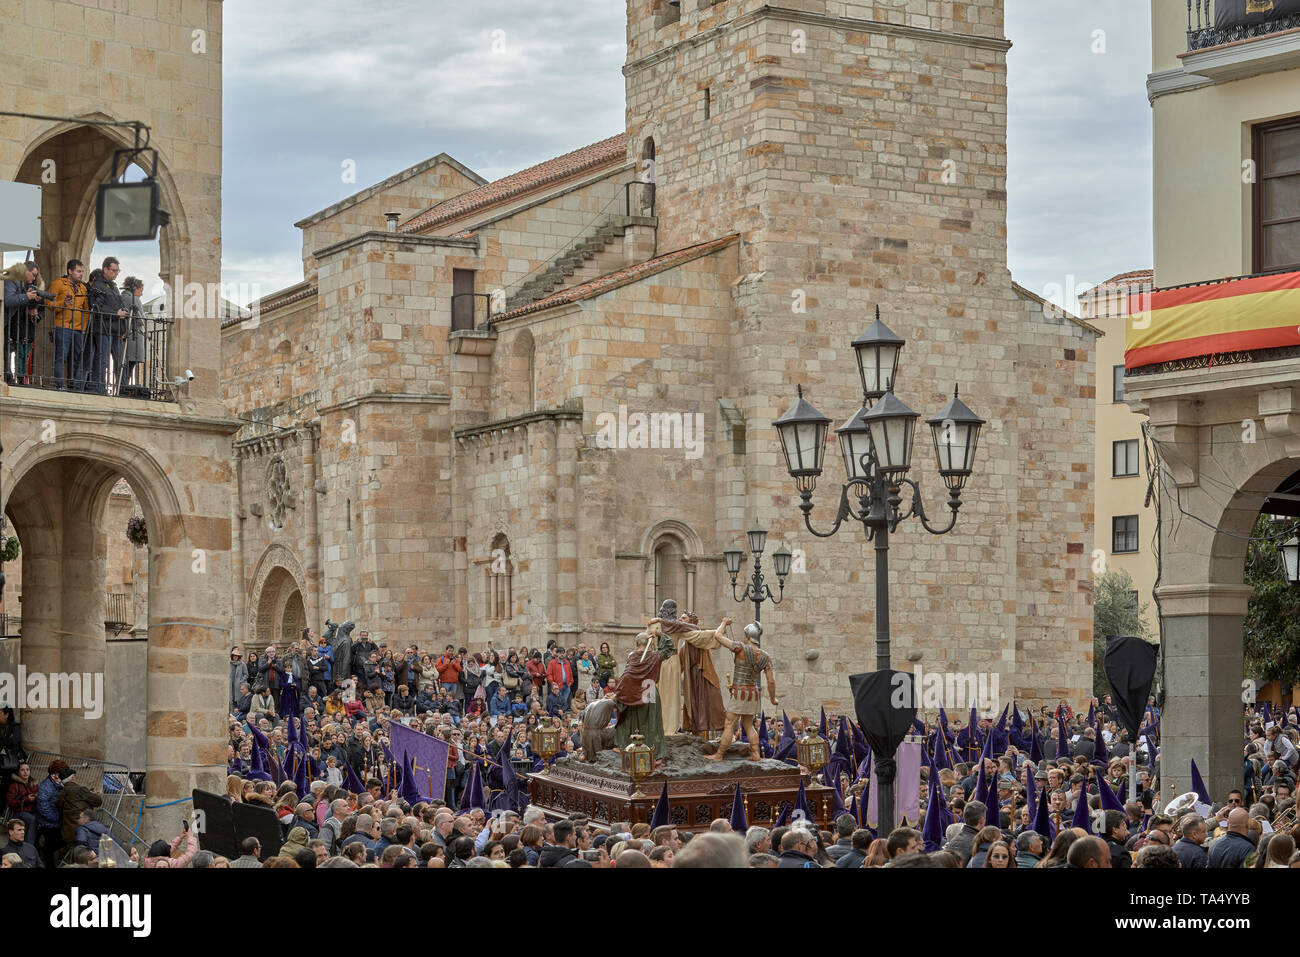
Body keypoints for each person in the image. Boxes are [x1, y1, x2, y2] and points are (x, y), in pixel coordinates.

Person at [706, 620, 776, 762]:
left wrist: (724, 623)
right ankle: (756, 754)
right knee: (749, 725)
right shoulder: (765, 657)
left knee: (729, 723)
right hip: (753, 694)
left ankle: (719, 755)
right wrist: (773, 699)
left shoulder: (740, 648)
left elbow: (718, 636)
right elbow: (771, 681)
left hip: (740, 692)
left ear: (748, 637)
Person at [86, 256, 128, 395]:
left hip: (116, 329)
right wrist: (116, 313)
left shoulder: (115, 287)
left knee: (120, 361)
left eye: (118, 271)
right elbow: (96, 307)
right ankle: (98, 387)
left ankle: (122, 389)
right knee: (102, 359)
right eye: (114, 270)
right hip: (103, 328)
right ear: (105, 269)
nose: (116, 274)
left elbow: (120, 306)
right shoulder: (98, 285)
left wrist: (123, 328)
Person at [46, 259, 89, 390]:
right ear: (70, 271)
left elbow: (86, 310)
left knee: (76, 359)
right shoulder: (58, 284)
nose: (81, 274)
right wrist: (63, 304)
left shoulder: (83, 288)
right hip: (63, 326)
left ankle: (73, 386)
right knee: (61, 358)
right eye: (78, 271)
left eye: (82, 271)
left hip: (77, 329)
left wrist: (83, 327)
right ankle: (59, 385)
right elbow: (48, 304)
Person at [3, 261, 44, 386]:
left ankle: (8, 375)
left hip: (10, 322)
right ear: (26, 270)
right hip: (8, 321)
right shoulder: (13, 280)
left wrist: (35, 304)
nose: (34, 278)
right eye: (33, 274)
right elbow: (8, 300)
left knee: (7, 350)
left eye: (36, 276)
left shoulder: (21, 283)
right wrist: (27, 297)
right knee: (9, 350)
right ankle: (8, 376)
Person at [117, 276, 147, 393]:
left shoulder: (121, 297)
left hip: (123, 334)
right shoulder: (134, 300)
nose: (141, 294)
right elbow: (141, 319)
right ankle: (124, 389)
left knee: (123, 365)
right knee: (130, 365)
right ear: (135, 288)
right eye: (140, 290)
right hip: (133, 335)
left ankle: (122, 387)